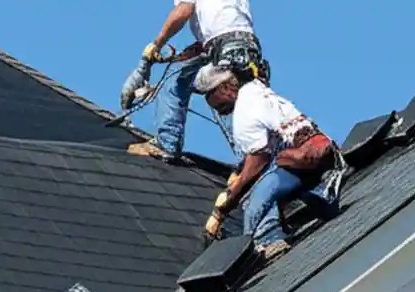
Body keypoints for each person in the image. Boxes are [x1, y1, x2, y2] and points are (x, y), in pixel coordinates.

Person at [195, 66, 341, 254]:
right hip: (323, 153)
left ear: (224, 88)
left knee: (254, 198)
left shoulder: (243, 112)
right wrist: (238, 173)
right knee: (294, 182)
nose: (215, 109)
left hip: (298, 160)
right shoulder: (255, 90)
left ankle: (268, 240)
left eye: (212, 99)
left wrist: (226, 204)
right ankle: (325, 201)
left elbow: (258, 162)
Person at [128, 0, 267, 162]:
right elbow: (226, 25)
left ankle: (167, 144)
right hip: (246, 47)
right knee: (232, 96)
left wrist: (157, 44)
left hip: (225, 48)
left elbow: (183, 11)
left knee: (179, 80)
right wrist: (195, 49)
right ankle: (252, 157)